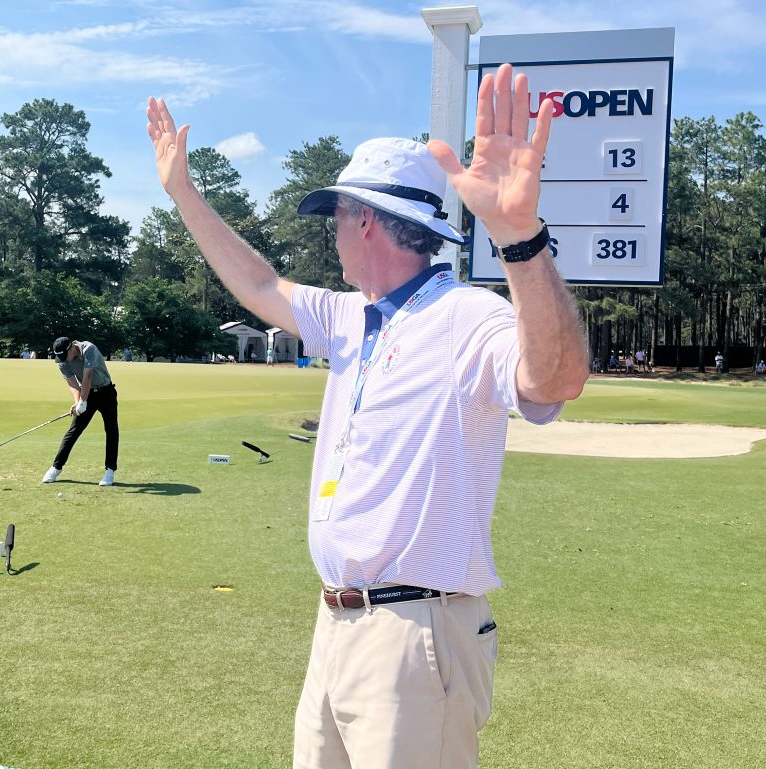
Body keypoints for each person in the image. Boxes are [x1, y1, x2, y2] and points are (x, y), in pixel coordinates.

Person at [147, 61, 588, 769]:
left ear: (369, 224)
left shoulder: (467, 316)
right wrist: (182, 192)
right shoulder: (351, 316)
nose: (334, 235)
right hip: (336, 627)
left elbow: (557, 379)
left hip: (417, 636)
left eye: (338, 218)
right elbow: (257, 280)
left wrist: (520, 238)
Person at [41, 336, 118, 487]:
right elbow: (72, 383)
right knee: (74, 430)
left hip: (106, 393)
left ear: (71, 348)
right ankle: (56, 467)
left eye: (65, 355)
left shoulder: (88, 348)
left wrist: (83, 401)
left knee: (111, 429)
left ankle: (110, 470)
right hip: (86, 393)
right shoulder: (61, 360)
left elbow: (87, 376)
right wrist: (78, 403)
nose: (64, 360)